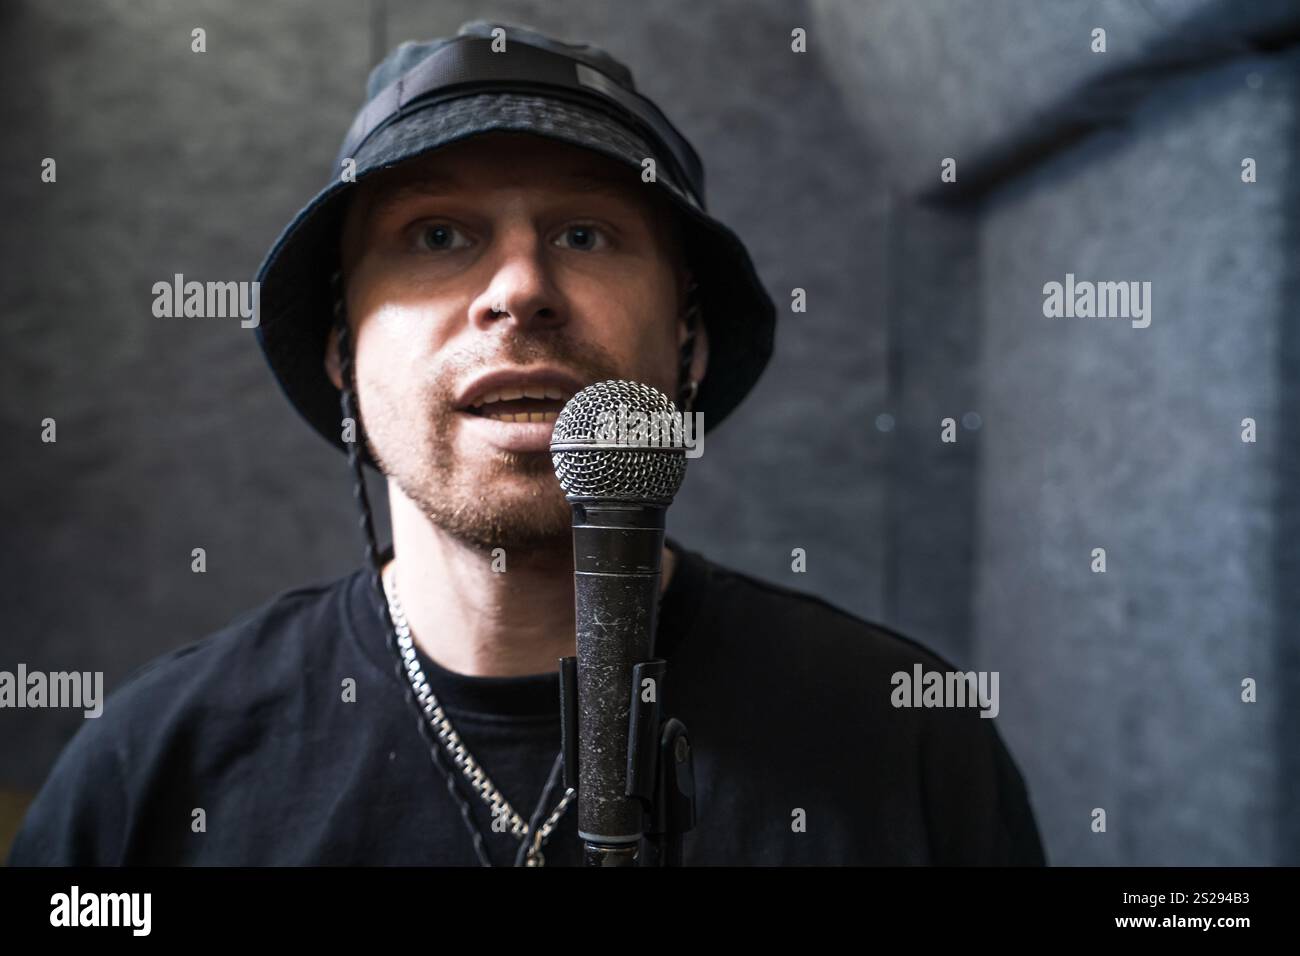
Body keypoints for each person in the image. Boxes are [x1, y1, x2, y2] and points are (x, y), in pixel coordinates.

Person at [8, 20, 1046, 867]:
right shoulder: (151, 768)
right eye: (437, 236)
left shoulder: (905, 740)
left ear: (685, 341)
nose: (518, 291)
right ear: (339, 346)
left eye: (584, 235)